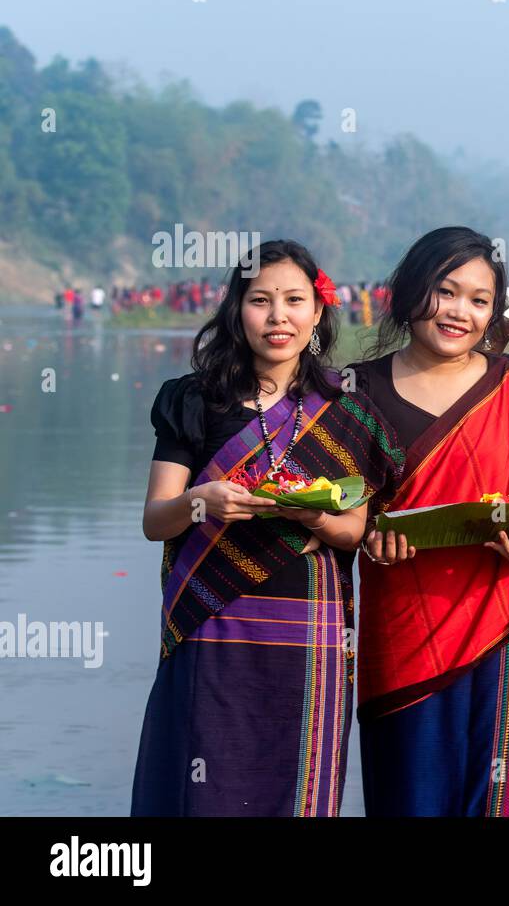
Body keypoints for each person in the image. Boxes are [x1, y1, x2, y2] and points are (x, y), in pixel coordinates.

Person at [133, 240, 404, 815]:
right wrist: (200, 502)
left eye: (294, 300)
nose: (278, 316)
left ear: (317, 311)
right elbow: (156, 521)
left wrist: (317, 516)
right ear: (237, 311)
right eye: (261, 300)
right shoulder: (195, 399)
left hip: (313, 634)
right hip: (213, 622)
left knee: (295, 787)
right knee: (204, 782)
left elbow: (356, 531)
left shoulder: (347, 408)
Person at [349, 227, 509, 817]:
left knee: (502, 798)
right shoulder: (355, 389)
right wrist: (370, 536)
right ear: (408, 292)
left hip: (501, 625)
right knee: (411, 796)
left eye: (479, 300)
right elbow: (341, 509)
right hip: (400, 629)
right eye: (444, 292)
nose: (459, 312)